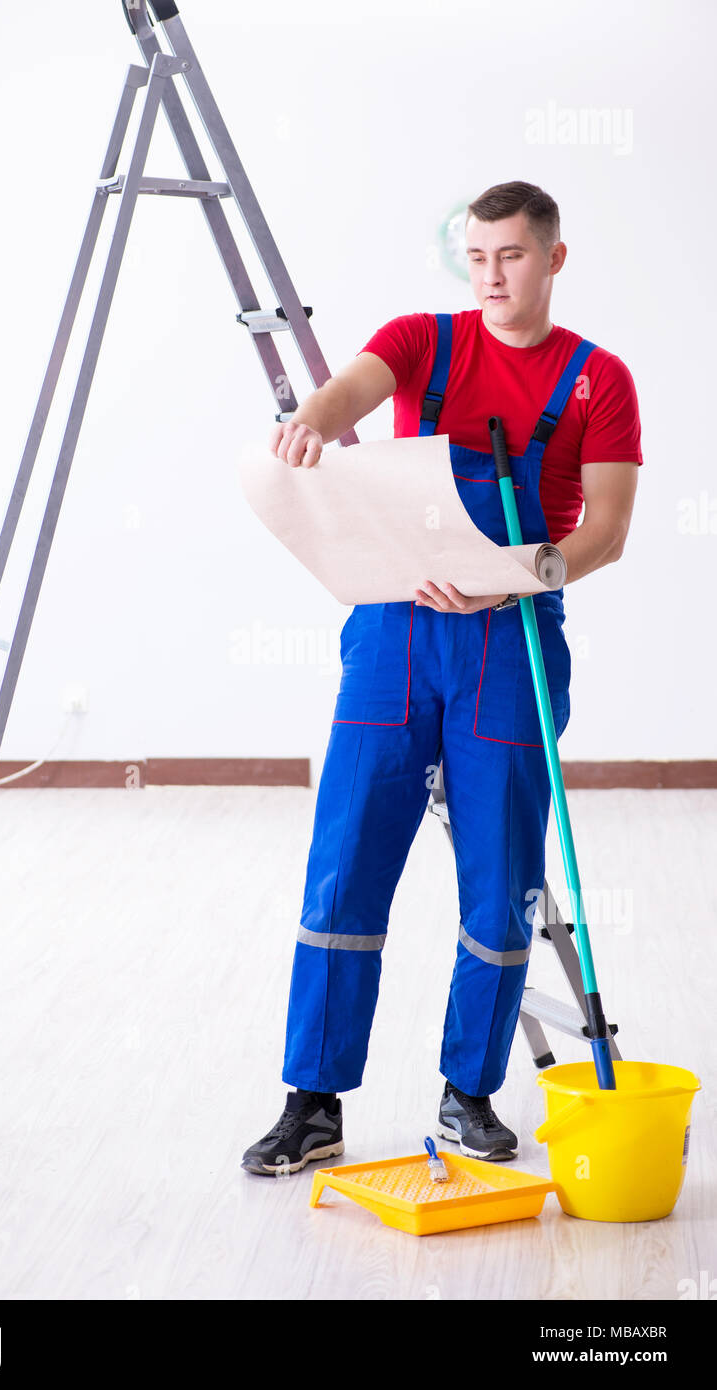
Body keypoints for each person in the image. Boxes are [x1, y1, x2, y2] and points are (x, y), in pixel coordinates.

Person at [241, 180, 642, 1176]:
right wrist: (309, 421)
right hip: (393, 628)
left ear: (552, 258)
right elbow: (350, 392)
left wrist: (517, 576)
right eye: (476, 257)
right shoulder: (424, 340)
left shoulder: (598, 379)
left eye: (511, 255)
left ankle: (469, 1094)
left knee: (500, 879)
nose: (491, 276)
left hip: (510, 636)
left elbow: (606, 531)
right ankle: (313, 1102)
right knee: (346, 861)